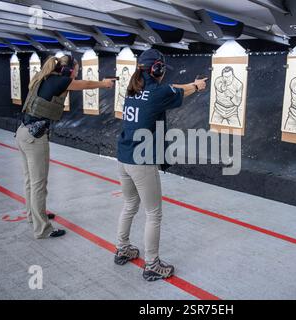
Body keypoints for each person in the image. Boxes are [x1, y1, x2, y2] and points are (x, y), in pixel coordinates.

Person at [114, 49, 207, 281]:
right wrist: (196, 86)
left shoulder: (132, 90)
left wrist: (190, 84)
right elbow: (176, 91)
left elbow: (172, 88)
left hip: (124, 158)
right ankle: (152, 264)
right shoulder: (156, 92)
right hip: (142, 162)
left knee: (129, 205)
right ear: (157, 69)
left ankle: (122, 248)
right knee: (154, 213)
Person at [16, 54, 115, 239]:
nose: (76, 76)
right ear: (68, 71)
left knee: (30, 181)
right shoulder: (60, 81)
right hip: (35, 137)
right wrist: (104, 84)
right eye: (75, 71)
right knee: (39, 183)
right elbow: (84, 85)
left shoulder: (43, 78)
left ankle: (35, 215)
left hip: (23, 132)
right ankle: (43, 229)